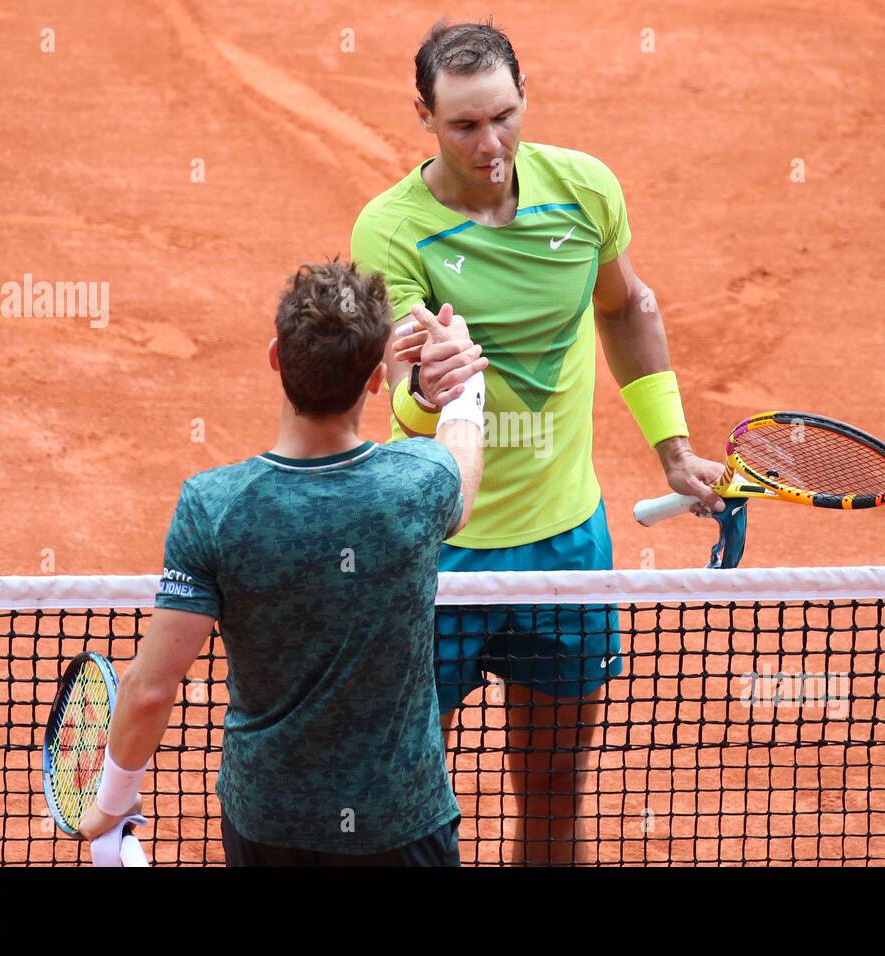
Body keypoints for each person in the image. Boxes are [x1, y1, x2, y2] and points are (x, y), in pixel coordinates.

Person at [349, 19, 728, 864]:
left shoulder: (585, 190)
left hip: (566, 546)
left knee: (555, 801)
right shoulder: (390, 231)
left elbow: (627, 307)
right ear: (423, 116)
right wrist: (427, 384)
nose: (491, 144)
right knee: (409, 807)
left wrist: (673, 448)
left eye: (505, 116)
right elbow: (406, 406)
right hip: (443, 553)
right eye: (465, 125)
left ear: (525, 98)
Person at [79, 259, 488, 866]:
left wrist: (112, 802)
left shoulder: (212, 506)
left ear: (275, 358)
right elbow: (461, 456)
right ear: (377, 380)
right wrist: (460, 379)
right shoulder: (419, 485)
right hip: (401, 825)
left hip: (268, 825)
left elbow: (149, 689)